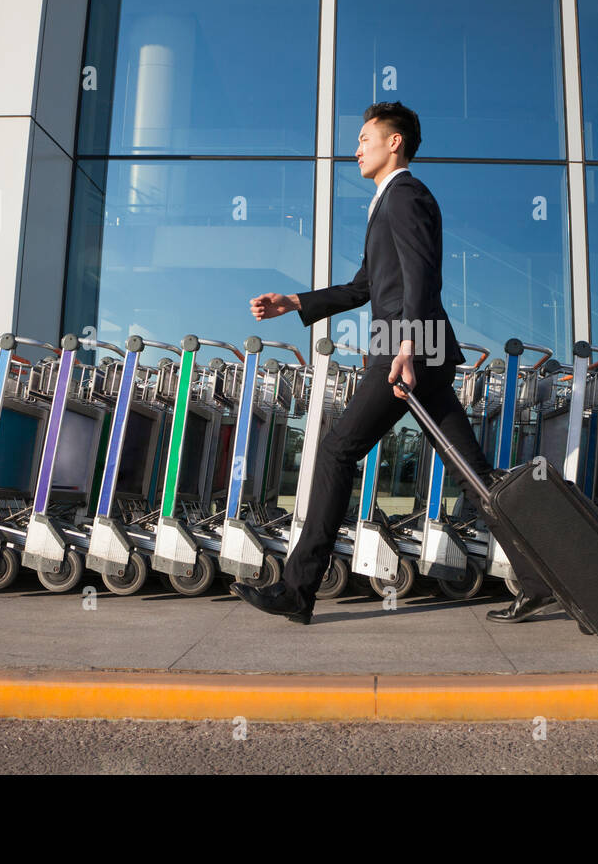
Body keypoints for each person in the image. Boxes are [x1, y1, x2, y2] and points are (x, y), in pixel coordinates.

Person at [233, 100, 556, 625]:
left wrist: (405, 345)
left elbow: (423, 275)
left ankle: (297, 589)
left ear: (394, 142)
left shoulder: (404, 195)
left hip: (405, 346)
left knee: (338, 450)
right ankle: (544, 578)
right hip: (417, 345)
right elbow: (365, 287)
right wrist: (294, 302)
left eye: (365, 138)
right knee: (473, 473)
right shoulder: (387, 202)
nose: (356, 147)